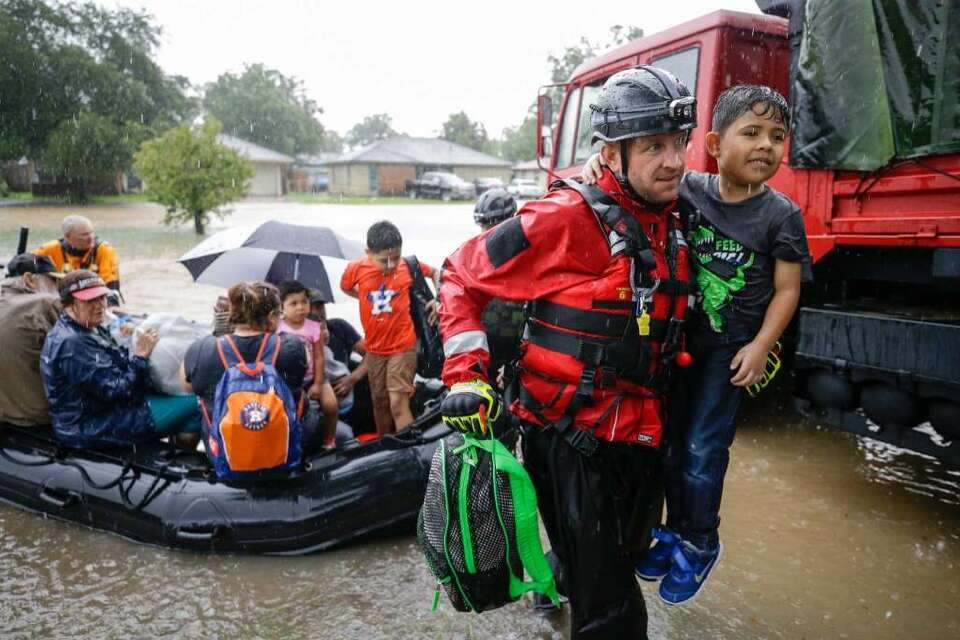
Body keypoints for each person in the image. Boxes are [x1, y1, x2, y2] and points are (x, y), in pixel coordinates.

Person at [438, 66, 696, 639]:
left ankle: (556, 583)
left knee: (619, 559)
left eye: (680, 142)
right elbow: (459, 274)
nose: (675, 161)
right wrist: (466, 375)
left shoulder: (676, 216)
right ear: (611, 153)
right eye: (654, 146)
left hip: (639, 436)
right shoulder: (564, 218)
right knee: (613, 613)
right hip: (569, 437)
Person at [629, 85, 807, 605]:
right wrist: (601, 164)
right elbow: (636, 187)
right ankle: (673, 529)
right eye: (751, 133)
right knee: (667, 442)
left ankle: (700, 540)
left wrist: (762, 346)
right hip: (678, 344)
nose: (765, 145)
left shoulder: (781, 215)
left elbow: (787, 289)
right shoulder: (689, 190)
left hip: (730, 353)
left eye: (777, 136)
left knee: (702, 449)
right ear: (713, 144)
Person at [40, 270, 201, 448]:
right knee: (199, 405)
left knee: (181, 401)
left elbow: (112, 362)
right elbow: (118, 390)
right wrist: (140, 355)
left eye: (102, 297)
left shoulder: (85, 326)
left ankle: (176, 448)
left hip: (102, 410)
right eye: (90, 300)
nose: (100, 305)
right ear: (69, 304)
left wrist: (130, 335)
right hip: (90, 425)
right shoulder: (73, 343)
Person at [182, 281, 311, 457]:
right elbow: (305, 372)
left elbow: (187, 387)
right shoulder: (292, 347)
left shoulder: (201, 349)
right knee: (310, 405)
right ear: (272, 317)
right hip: (283, 452)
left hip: (224, 456)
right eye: (279, 314)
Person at [340, 221, 438, 435]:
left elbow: (435, 273)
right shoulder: (356, 269)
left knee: (397, 401)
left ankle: (409, 444)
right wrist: (364, 297)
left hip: (403, 346)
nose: (391, 264)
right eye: (384, 261)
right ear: (368, 253)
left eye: (396, 257)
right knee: (380, 402)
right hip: (374, 350)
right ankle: (384, 444)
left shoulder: (407, 266)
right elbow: (345, 286)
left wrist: (438, 298)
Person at [471, 188, 527, 385]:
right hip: (484, 349)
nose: (485, 233)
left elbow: (538, 318)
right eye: (483, 226)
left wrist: (516, 362)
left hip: (515, 352)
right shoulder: (475, 254)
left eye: (491, 225)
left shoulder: (528, 258)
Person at [0, 254, 63, 426]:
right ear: (29, 279)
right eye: (54, 281)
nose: (58, 289)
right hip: (35, 416)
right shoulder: (46, 303)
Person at [278, 280, 338, 449]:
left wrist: (318, 383)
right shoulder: (278, 328)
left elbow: (319, 356)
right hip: (289, 380)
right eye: (294, 303)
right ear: (282, 307)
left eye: (304, 302)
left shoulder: (314, 327)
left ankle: (329, 441)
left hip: (314, 376)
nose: (300, 307)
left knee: (331, 406)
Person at [34, 214, 120, 293]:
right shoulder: (51, 249)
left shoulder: (105, 250)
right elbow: (28, 260)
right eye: (84, 235)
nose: (91, 237)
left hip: (95, 296)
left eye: (91, 232)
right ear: (68, 237)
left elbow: (111, 283)